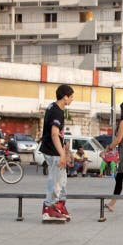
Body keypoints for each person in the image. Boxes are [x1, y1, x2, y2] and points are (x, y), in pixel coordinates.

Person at [40, 85, 74, 221]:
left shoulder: (53, 107)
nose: (72, 100)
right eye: (71, 97)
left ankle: (59, 205)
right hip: (53, 151)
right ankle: (49, 208)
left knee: (62, 180)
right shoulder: (57, 112)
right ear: (65, 96)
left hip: (55, 149)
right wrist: (62, 154)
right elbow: (54, 134)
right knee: (55, 181)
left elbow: (57, 134)